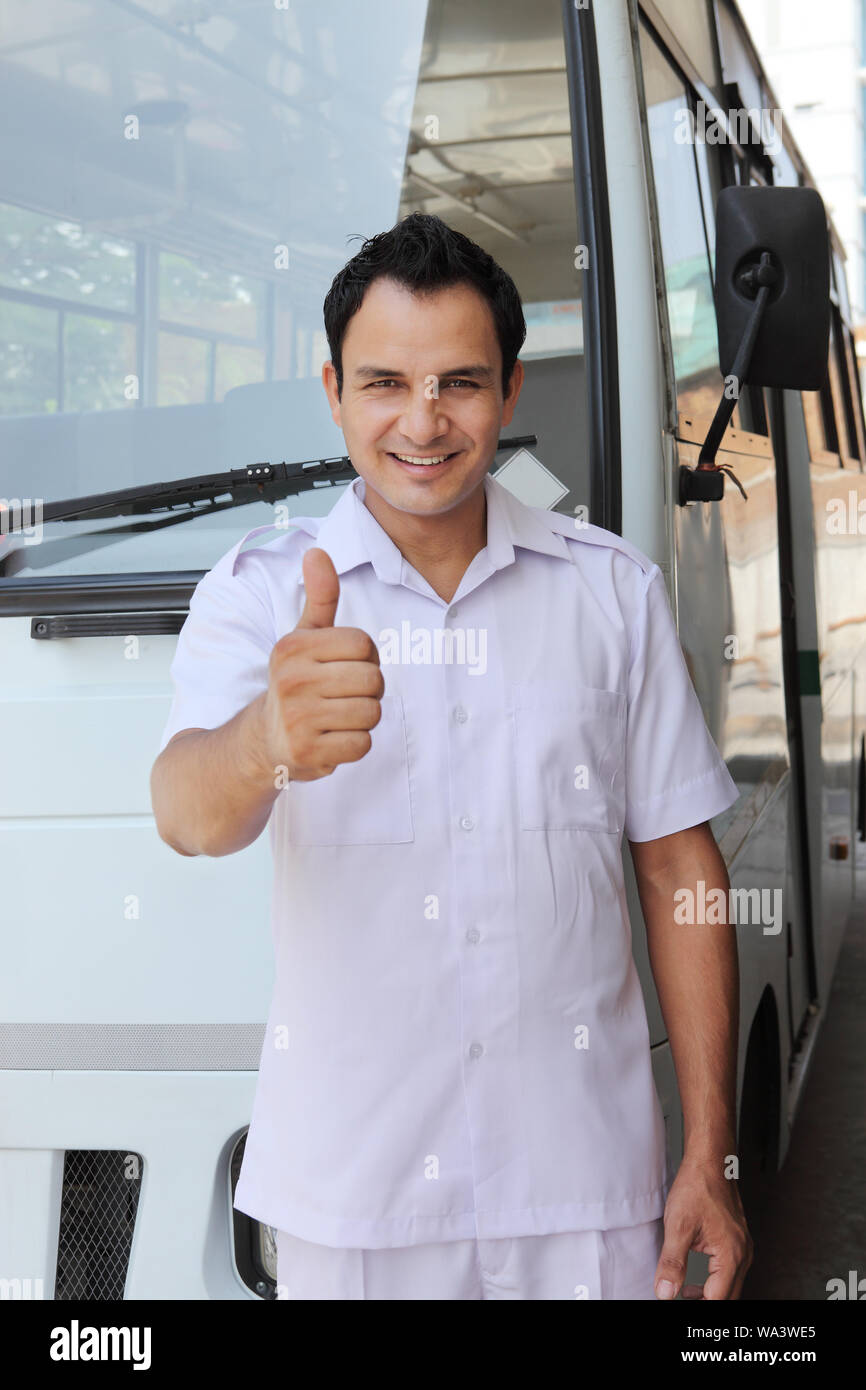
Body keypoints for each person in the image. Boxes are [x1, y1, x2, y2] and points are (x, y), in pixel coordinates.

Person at [150, 212, 752, 1301]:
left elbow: (678, 871)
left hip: (585, 1193)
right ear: (331, 392)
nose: (421, 421)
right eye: (383, 382)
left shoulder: (609, 593)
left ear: (508, 392)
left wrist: (706, 1149)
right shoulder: (259, 592)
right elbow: (189, 814)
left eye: (459, 383)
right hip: (354, 1201)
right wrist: (264, 741)